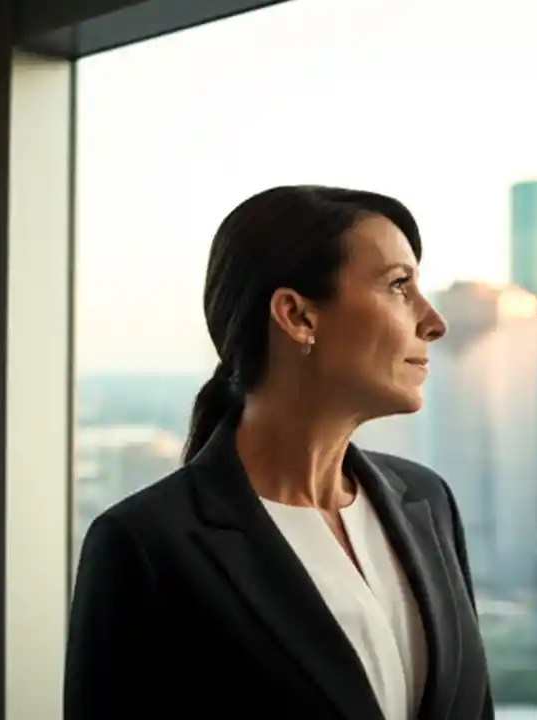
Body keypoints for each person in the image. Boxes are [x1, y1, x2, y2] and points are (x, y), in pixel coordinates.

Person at [64, 185, 494, 719]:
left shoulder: (428, 503)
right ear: (297, 316)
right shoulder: (145, 547)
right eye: (398, 285)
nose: (434, 322)